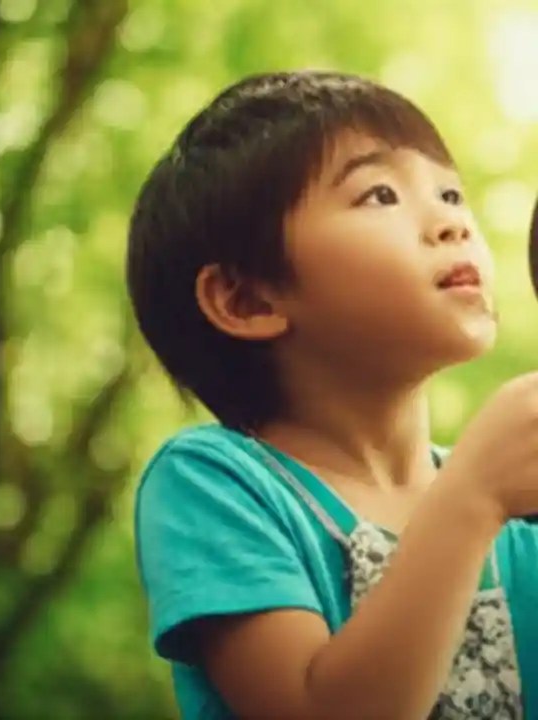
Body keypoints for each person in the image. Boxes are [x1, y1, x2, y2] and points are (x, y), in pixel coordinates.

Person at [129, 70, 538, 720]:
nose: (451, 223)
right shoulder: (212, 483)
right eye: (380, 194)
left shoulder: (522, 515)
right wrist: (473, 493)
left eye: (451, 194)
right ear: (248, 298)